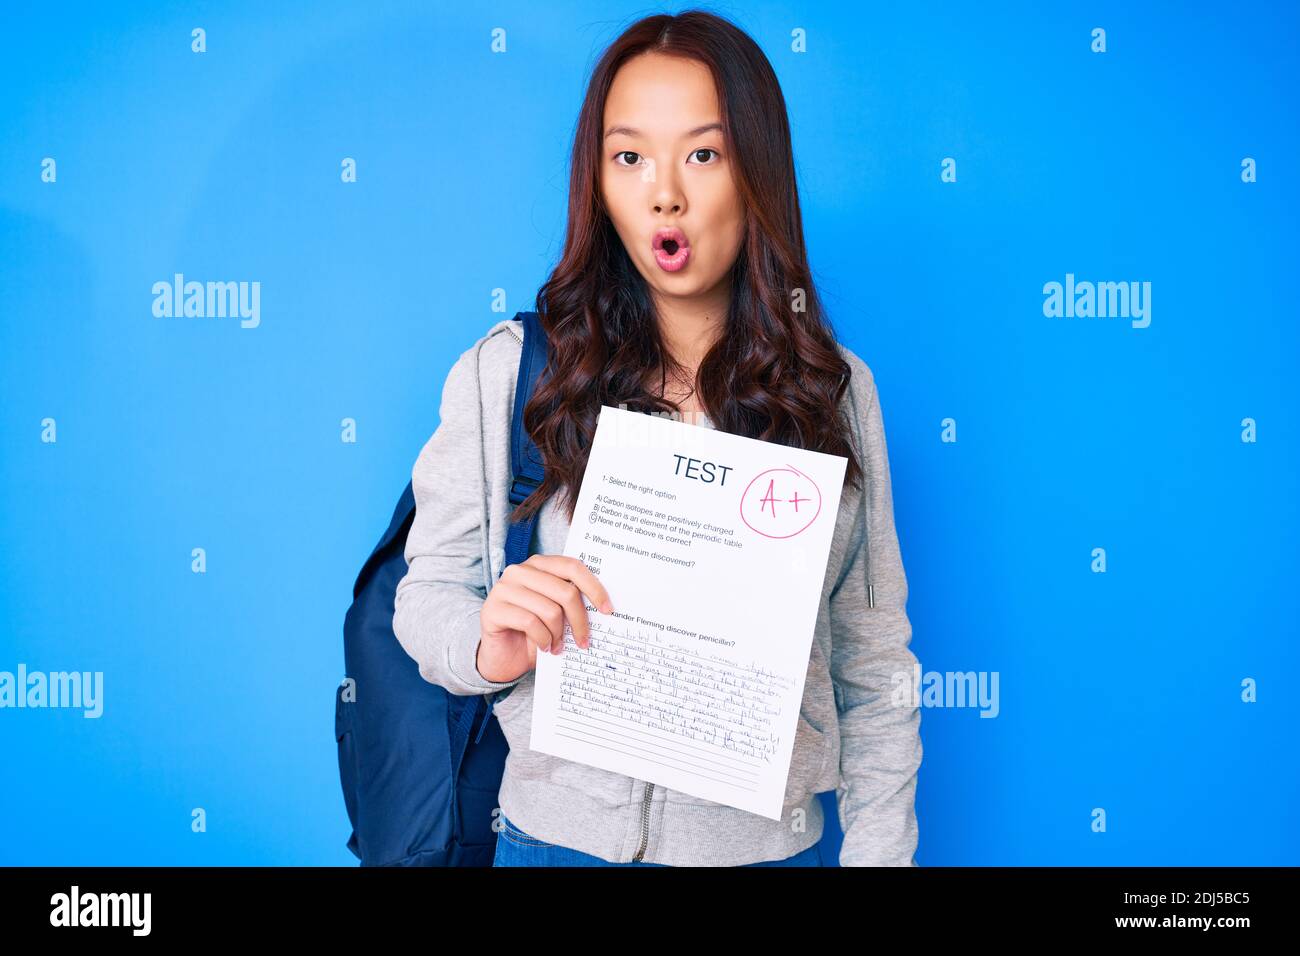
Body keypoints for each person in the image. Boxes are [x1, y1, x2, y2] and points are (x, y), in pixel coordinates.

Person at [392, 9, 921, 867]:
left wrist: (883, 858)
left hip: (766, 854)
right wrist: (491, 643)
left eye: (703, 154)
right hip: (552, 846)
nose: (663, 191)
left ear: (758, 173)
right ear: (596, 181)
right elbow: (426, 599)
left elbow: (874, 663)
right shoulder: (512, 372)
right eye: (628, 155)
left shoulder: (836, 391)